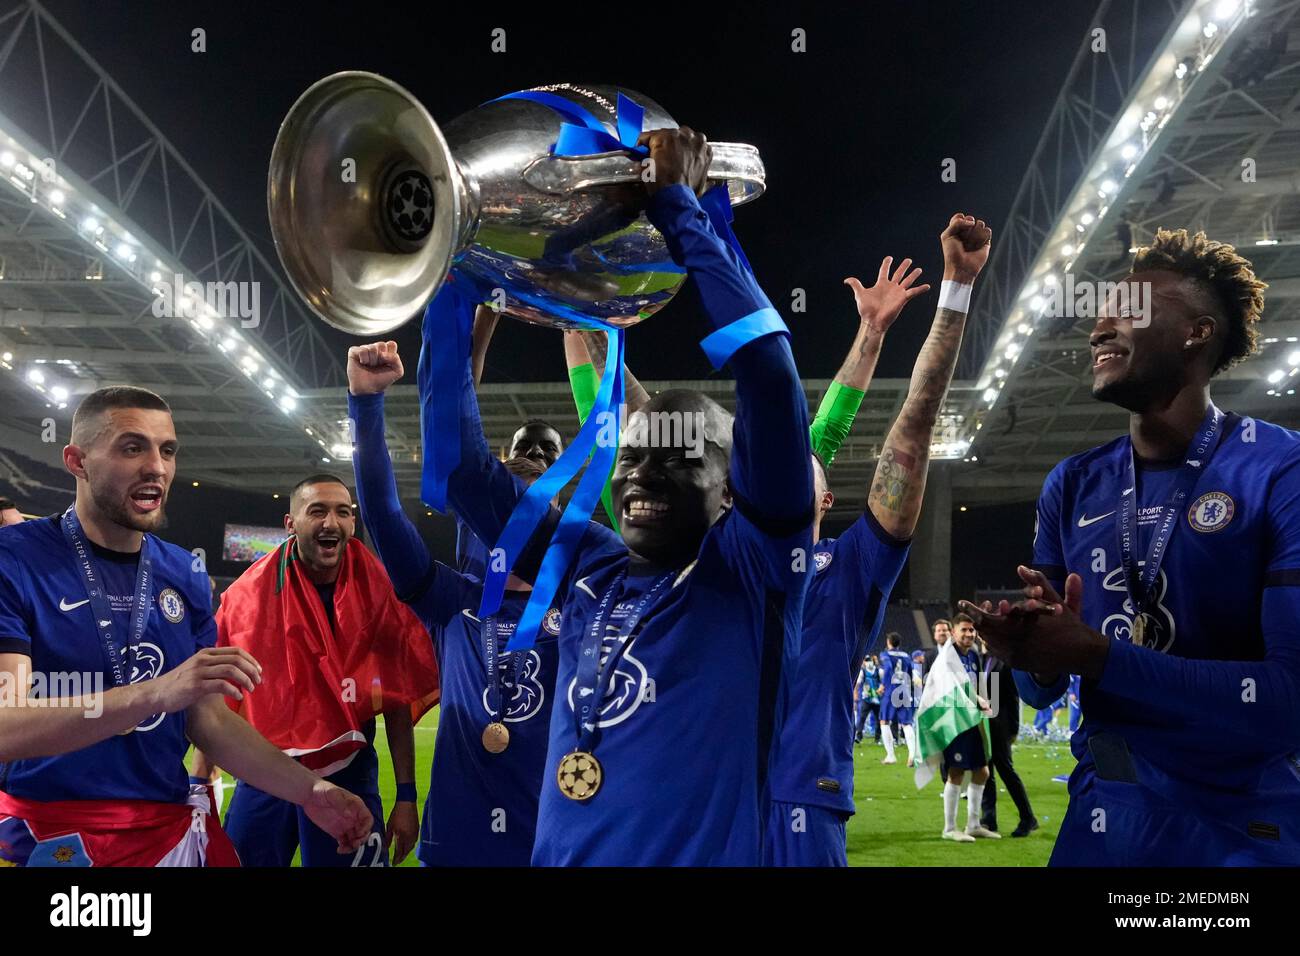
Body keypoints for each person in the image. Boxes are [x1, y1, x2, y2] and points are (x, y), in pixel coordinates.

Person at [437, 126, 813, 865]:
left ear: (732, 491)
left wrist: (681, 208)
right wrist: (454, 290)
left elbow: (768, 370)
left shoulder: (753, 571)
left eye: (678, 458)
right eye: (631, 456)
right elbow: (459, 472)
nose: (641, 473)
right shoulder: (592, 565)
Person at [961, 229, 1300, 865]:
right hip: (1103, 819)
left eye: (1129, 311)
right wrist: (1032, 653)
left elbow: (1290, 702)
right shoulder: (1074, 482)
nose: (1100, 330)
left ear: (1197, 333)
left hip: (1236, 828)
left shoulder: (1282, 471)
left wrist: (1100, 656)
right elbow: (1042, 693)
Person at [0, 386, 372, 866]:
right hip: (46, 839)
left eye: (167, 450)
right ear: (77, 460)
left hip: (162, 839)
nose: (157, 466)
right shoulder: (15, 559)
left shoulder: (185, 574)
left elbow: (209, 719)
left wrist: (309, 790)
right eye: (132, 447)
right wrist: (157, 692)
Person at [348, 340, 563, 866]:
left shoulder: (583, 603)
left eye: (535, 510)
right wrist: (366, 402)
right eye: (506, 509)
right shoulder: (452, 601)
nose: (517, 525)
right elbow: (382, 512)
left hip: (553, 843)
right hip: (456, 843)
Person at [206, 474, 438, 867]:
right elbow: (216, 694)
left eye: (342, 512)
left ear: (352, 523)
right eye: (318, 511)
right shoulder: (247, 597)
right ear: (290, 524)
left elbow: (397, 699)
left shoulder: (380, 592)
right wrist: (200, 784)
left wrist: (406, 797)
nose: (331, 522)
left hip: (348, 770)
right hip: (266, 768)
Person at [939, 613, 998, 842]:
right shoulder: (948, 656)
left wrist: (984, 702)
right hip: (953, 720)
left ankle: (973, 824)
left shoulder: (973, 654)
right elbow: (956, 686)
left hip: (972, 719)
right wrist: (978, 700)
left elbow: (976, 682)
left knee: (982, 771)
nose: (968, 634)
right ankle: (949, 828)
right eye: (963, 630)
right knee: (955, 772)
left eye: (971, 630)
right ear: (953, 632)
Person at [980, 648, 1038, 837]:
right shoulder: (982, 659)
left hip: (1001, 727)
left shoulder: (1004, 661)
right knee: (986, 772)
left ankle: (1028, 818)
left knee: (1006, 771)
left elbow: (1013, 697)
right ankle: (989, 819)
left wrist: (1013, 729)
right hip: (984, 724)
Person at [878, 633, 921, 766]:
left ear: (889, 642)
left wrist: (883, 685)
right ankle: (912, 756)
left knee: (884, 721)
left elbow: (889, 668)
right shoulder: (906, 656)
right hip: (904, 690)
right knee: (907, 723)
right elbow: (909, 672)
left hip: (891, 690)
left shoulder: (885, 655)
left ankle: (891, 756)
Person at [853, 656, 881, 744]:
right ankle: (860, 736)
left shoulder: (875, 671)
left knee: (874, 718)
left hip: (873, 698)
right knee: (863, 718)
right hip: (869, 698)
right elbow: (858, 683)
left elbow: (857, 683)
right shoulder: (866, 671)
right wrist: (856, 693)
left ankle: (875, 738)